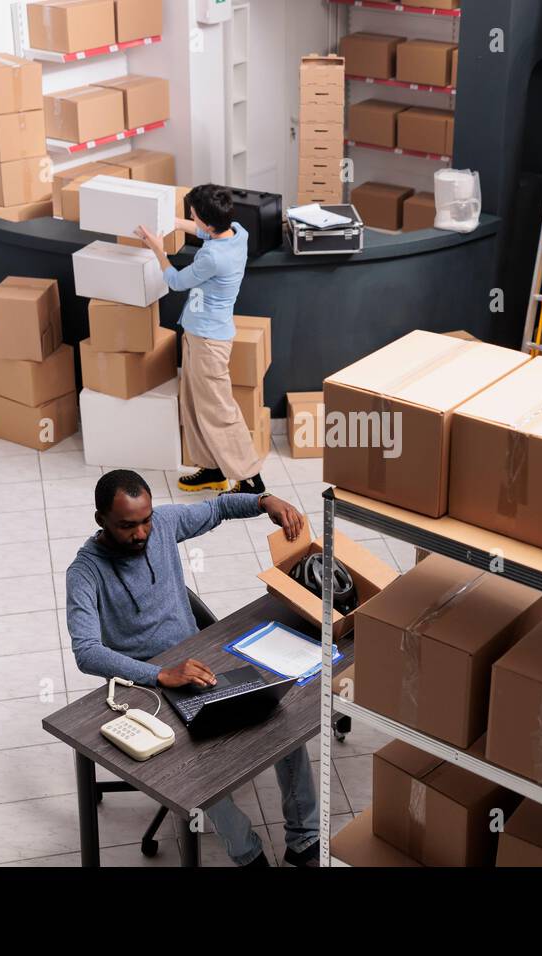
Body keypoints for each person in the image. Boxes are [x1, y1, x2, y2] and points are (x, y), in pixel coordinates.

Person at [66, 469, 320, 868]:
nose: (142, 533)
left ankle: (305, 839)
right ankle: (249, 855)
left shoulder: (162, 524)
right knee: (203, 765)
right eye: (127, 526)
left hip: (200, 662)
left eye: (146, 520)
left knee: (280, 718)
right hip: (146, 686)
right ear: (101, 521)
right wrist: (160, 674)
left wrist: (263, 501)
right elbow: (86, 651)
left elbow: (217, 507)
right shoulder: (84, 573)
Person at [137, 185, 266, 495]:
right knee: (194, 403)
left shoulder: (212, 258)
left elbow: (177, 281)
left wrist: (158, 248)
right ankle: (212, 468)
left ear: (208, 222)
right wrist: (174, 223)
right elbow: (205, 231)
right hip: (198, 334)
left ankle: (250, 479)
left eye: (192, 214)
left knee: (220, 410)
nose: (189, 217)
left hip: (209, 341)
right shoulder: (237, 231)